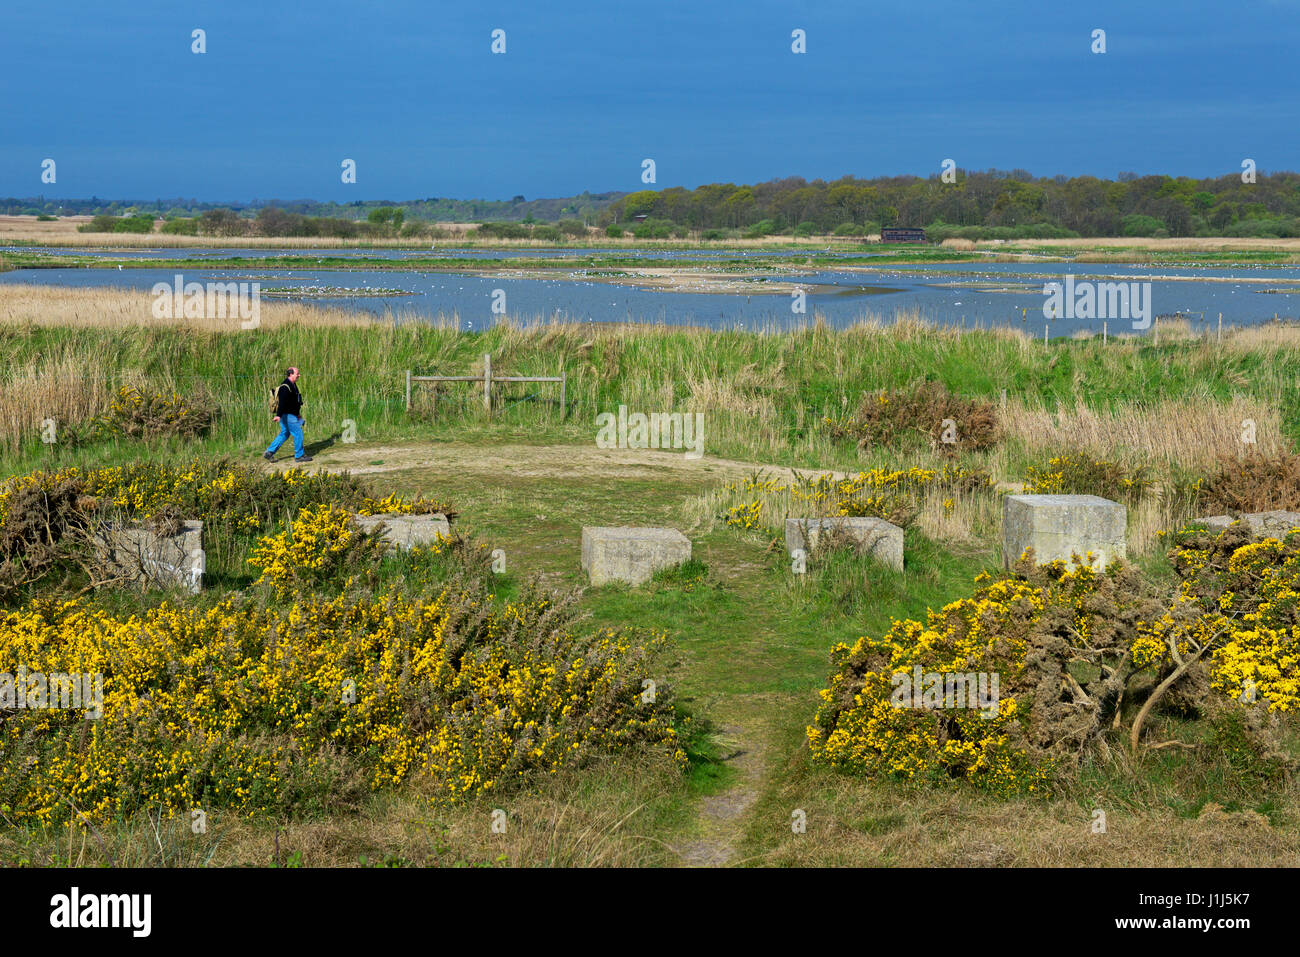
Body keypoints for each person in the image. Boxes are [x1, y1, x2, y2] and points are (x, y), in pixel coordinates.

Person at [264, 367, 313, 462]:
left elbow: (294, 401)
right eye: (297, 374)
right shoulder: (285, 387)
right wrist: (278, 415)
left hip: (290, 414)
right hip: (288, 415)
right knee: (298, 433)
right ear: (291, 374)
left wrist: (298, 414)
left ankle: (269, 452)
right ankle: (299, 456)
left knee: (285, 433)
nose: (299, 375)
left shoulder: (292, 385)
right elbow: (282, 403)